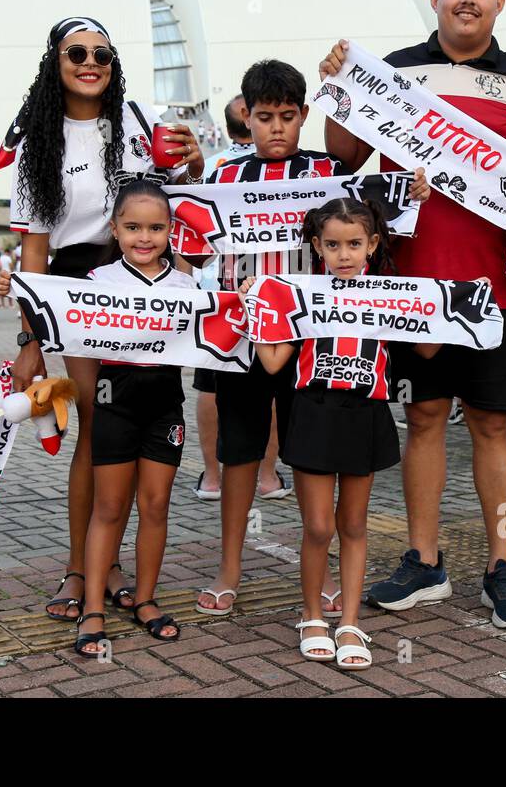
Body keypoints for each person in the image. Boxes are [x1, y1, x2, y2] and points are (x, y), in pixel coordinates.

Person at [320, 0, 506, 628]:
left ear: (500, 3)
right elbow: (344, 160)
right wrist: (341, 88)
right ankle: (425, 561)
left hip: (499, 290)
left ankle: (500, 566)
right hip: (410, 285)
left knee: (494, 424)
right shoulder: (395, 71)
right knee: (426, 420)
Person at [194, 60, 430, 618]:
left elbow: (379, 212)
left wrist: (413, 190)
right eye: (263, 117)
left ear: (304, 116)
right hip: (246, 334)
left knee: (311, 457)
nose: (276, 128)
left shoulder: (331, 174)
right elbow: (197, 246)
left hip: (316, 340)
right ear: (244, 117)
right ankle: (229, 567)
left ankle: (320, 568)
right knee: (240, 450)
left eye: (288, 116)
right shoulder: (222, 177)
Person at [2, 15, 202, 622]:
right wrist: (30, 340)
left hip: (144, 281)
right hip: (77, 289)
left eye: (103, 54)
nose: (91, 62)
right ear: (55, 62)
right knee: (95, 428)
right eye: (76, 53)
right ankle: (80, 567)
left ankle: (116, 568)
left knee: (140, 411)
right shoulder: (40, 140)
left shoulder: (138, 123)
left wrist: (194, 162)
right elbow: (34, 250)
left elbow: (178, 201)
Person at [249, 197, 436, 669]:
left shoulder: (390, 295)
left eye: (355, 243)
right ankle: (312, 615)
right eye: (333, 245)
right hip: (313, 411)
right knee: (317, 526)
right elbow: (273, 362)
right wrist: (258, 308)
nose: (345, 254)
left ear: (372, 244)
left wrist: (439, 304)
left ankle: (350, 622)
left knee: (353, 525)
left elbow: (428, 349)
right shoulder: (301, 294)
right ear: (317, 246)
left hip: (366, 413)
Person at [75, 180, 192, 657]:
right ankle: (92, 607)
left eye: (156, 228)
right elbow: (55, 318)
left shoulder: (187, 285)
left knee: (157, 504)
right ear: (115, 229)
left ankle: (144, 598)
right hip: (114, 401)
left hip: (165, 403)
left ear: (171, 231)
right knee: (108, 507)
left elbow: (224, 324)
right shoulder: (97, 283)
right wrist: (13, 286)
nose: (145, 238)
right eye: (133, 227)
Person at [192, 93, 286, 506]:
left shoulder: (214, 169)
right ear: (248, 121)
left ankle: (213, 477)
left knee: (212, 388)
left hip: (218, 300)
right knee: (274, 386)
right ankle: (265, 475)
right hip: (262, 300)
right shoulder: (289, 173)